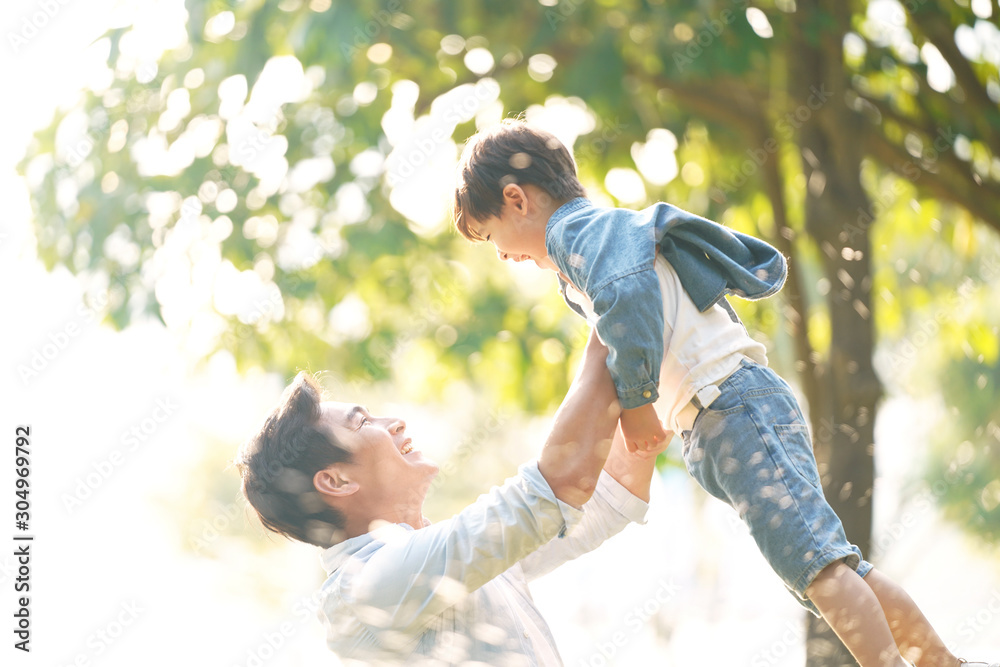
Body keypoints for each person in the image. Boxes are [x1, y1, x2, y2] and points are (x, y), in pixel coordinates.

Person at [452, 118, 992, 667]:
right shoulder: (602, 237)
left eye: (490, 236)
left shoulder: (580, 236)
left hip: (731, 407)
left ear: (516, 199)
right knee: (829, 565)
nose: (500, 255)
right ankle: (942, 664)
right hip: (726, 413)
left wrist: (638, 404)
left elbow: (626, 299)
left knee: (819, 568)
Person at [236, 331, 660, 665]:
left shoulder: (449, 559)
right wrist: (609, 316)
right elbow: (551, 492)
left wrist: (662, 378)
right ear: (336, 481)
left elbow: (608, 494)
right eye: (363, 421)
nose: (395, 422)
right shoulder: (364, 590)